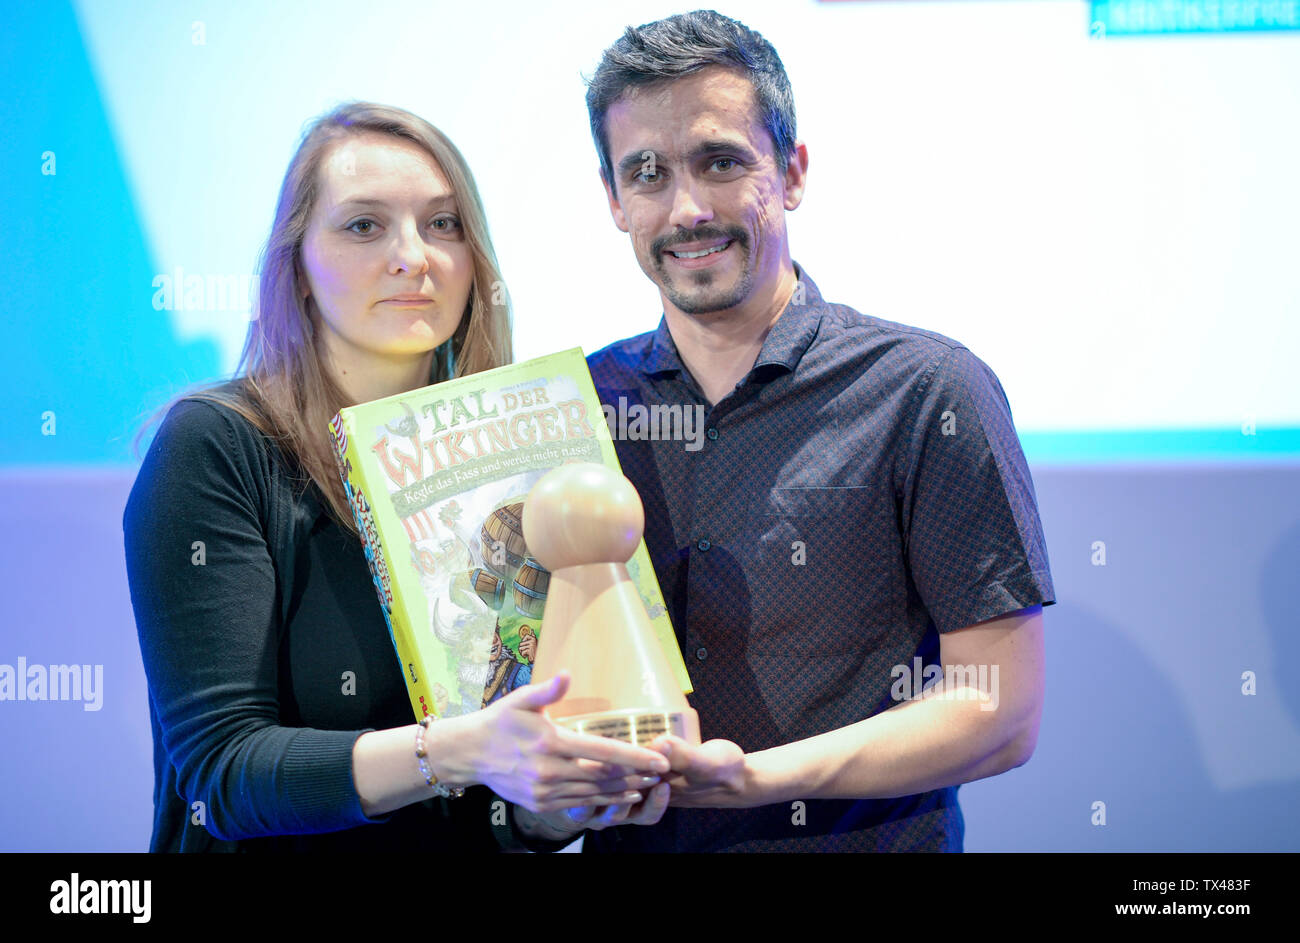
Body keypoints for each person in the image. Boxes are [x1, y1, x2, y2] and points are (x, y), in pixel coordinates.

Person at [554, 10, 1057, 852]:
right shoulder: (575, 411)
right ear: (613, 199)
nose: (686, 209)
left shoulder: (928, 389)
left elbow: (1001, 711)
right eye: (646, 173)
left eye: (720, 162)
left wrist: (758, 778)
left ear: (791, 172)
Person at [124, 101, 670, 852]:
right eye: (364, 225)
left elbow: (498, 809)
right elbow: (225, 776)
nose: (413, 255)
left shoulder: (521, 477)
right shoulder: (217, 446)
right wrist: (454, 749)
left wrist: (565, 799)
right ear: (299, 268)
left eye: (443, 225)